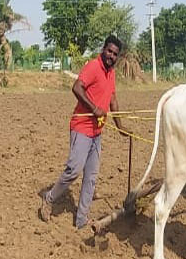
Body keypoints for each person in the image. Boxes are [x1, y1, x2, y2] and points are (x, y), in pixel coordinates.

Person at [38, 35, 126, 228]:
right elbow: (76, 87)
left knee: (91, 176)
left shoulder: (111, 73)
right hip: (82, 127)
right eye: (109, 51)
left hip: (97, 132)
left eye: (115, 54)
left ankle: (81, 219)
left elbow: (113, 100)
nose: (111, 56)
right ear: (104, 49)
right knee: (74, 169)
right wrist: (94, 109)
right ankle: (49, 198)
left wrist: (120, 126)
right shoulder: (93, 67)